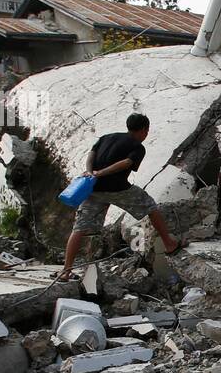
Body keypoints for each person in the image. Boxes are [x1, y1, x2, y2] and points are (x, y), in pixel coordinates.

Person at [61, 114, 180, 281]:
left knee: (79, 228)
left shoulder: (106, 137)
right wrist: (101, 173)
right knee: (151, 206)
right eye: (147, 131)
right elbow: (126, 163)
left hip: (93, 189)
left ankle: (66, 270)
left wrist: (90, 172)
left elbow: (91, 154)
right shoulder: (138, 147)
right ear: (144, 130)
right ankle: (169, 243)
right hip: (118, 190)